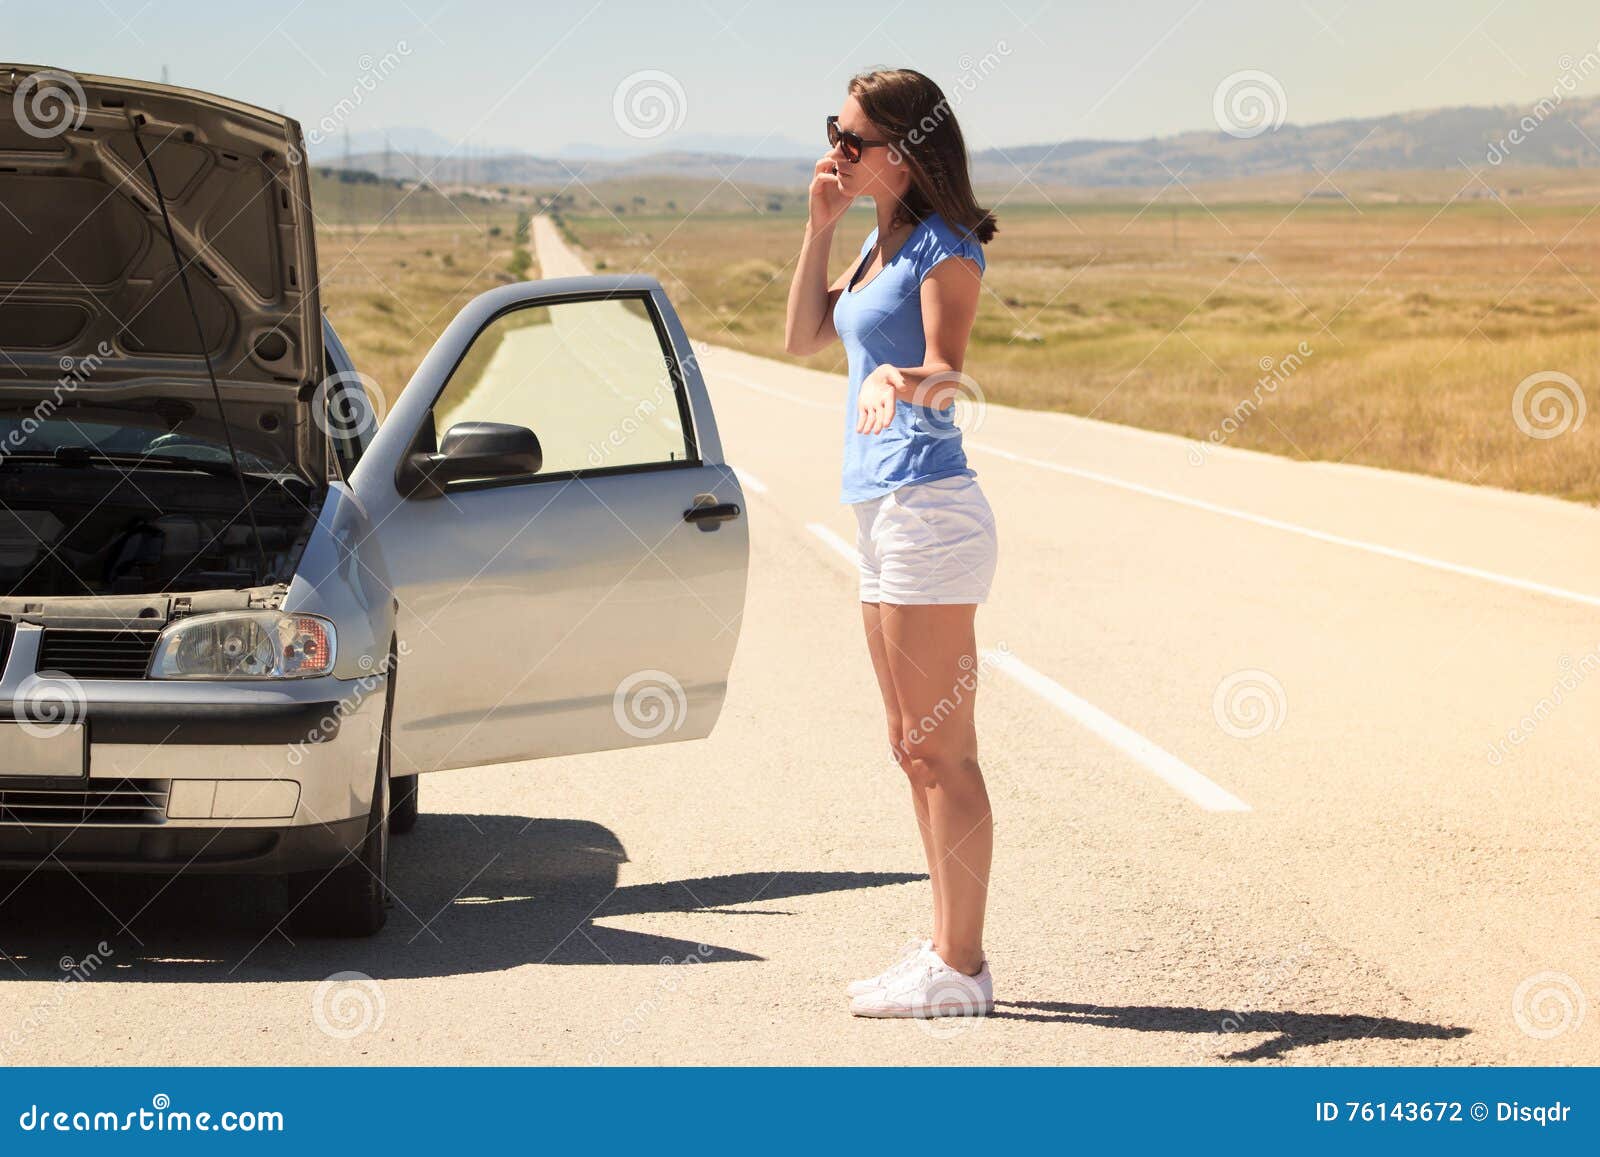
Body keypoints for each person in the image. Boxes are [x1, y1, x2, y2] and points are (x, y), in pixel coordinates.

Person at [784, 67, 1000, 1018]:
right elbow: (800, 339)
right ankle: (944, 951)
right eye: (834, 131)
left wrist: (895, 383)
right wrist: (820, 224)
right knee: (909, 747)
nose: (837, 148)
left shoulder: (946, 251)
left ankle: (963, 967)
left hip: (930, 509)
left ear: (905, 151)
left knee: (944, 750)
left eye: (854, 138)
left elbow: (952, 378)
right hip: (880, 511)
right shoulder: (879, 247)